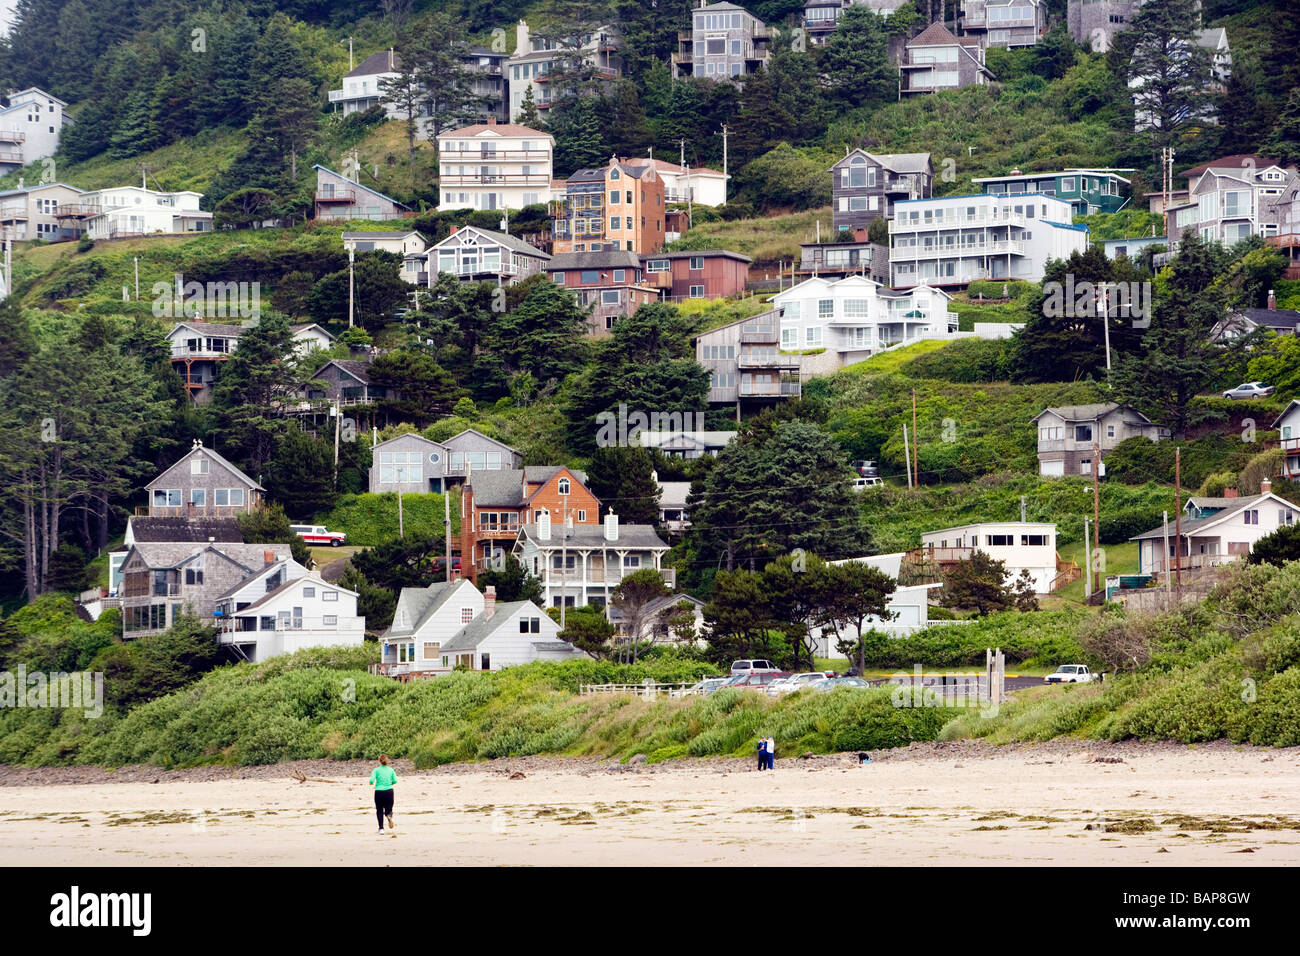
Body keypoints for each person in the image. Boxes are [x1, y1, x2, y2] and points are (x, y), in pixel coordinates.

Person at [370, 754, 397, 833]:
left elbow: (371, 781)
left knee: (379, 810)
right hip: (389, 791)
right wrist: (389, 783)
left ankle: (381, 828)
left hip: (379, 792)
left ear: (379, 761)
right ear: (387, 761)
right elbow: (395, 780)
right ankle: (389, 815)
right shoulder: (391, 770)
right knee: (389, 808)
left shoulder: (376, 770)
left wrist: (371, 783)